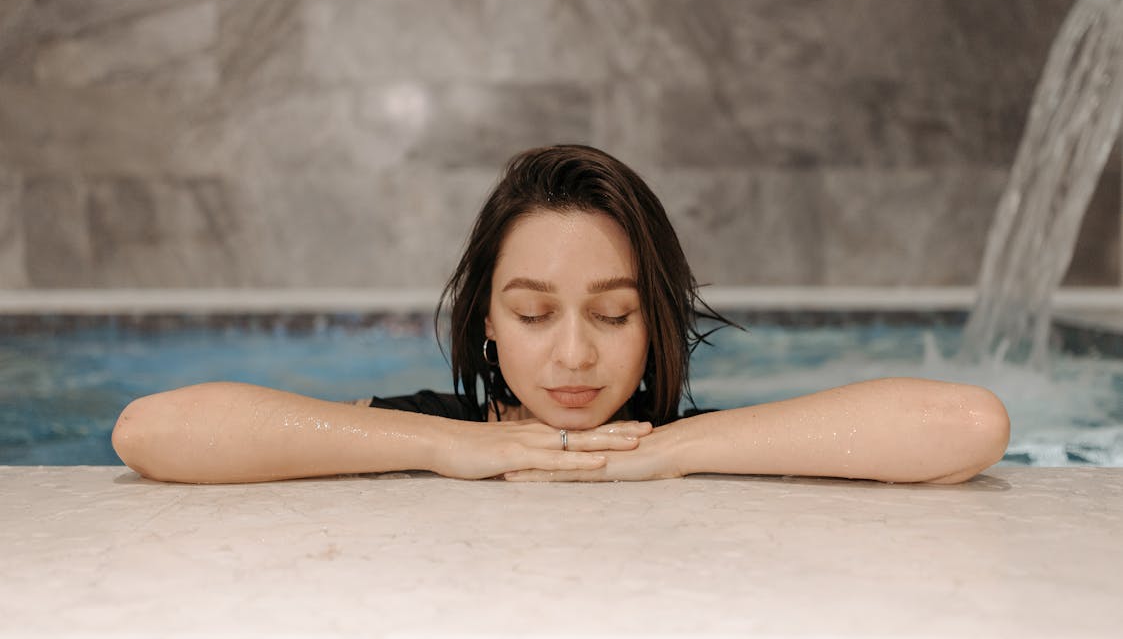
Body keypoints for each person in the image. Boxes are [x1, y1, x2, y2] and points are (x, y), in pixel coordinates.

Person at [112, 145, 1010, 485]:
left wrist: (670, 449)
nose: (574, 355)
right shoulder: (436, 431)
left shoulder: (679, 443)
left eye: (614, 316)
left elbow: (966, 424)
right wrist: (448, 444)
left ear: (654, 321)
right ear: (488, 322)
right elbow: (152, 430)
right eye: (534, 314)